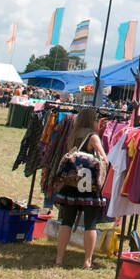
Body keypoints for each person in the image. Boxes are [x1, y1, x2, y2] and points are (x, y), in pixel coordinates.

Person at [52, 107, 109, 270]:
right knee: (90, 225)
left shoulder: (73, 135)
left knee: (66, 222)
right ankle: (87, 261)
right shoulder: (93, 137)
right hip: (88, 187)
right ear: (92, 120)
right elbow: (104, 159)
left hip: (71, 185)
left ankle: (59, 258)